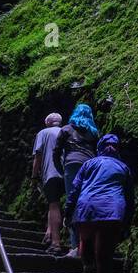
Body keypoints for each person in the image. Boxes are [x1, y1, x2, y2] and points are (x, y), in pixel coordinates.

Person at [67, 134, 133, 273]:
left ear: (100, 147)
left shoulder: (89, 164)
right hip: (112, 210)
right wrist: (127, 222)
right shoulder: (123, 167)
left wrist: (68, 211)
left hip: (87, 207)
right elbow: (130, 198)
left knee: (86, 242)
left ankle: (88, 272)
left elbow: (75, 189)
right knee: (104, 254)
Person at [54, 102, 99, 257]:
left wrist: (61, 169)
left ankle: (75, 245)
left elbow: (57, 151)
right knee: (87, 203)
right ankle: (88, 244)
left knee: (72, 203)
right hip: (90, 167)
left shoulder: (66, 129)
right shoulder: (93, 133)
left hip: (72, 166)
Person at [31, 113, 65, 253]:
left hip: (51, 173)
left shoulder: (43, 133)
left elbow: (38, 156)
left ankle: (56, 243)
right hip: (67, 173)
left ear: (48, 123)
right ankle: (49, 233)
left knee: (53, 204)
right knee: (57, 204)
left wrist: (34, 176)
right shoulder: (66, 131)